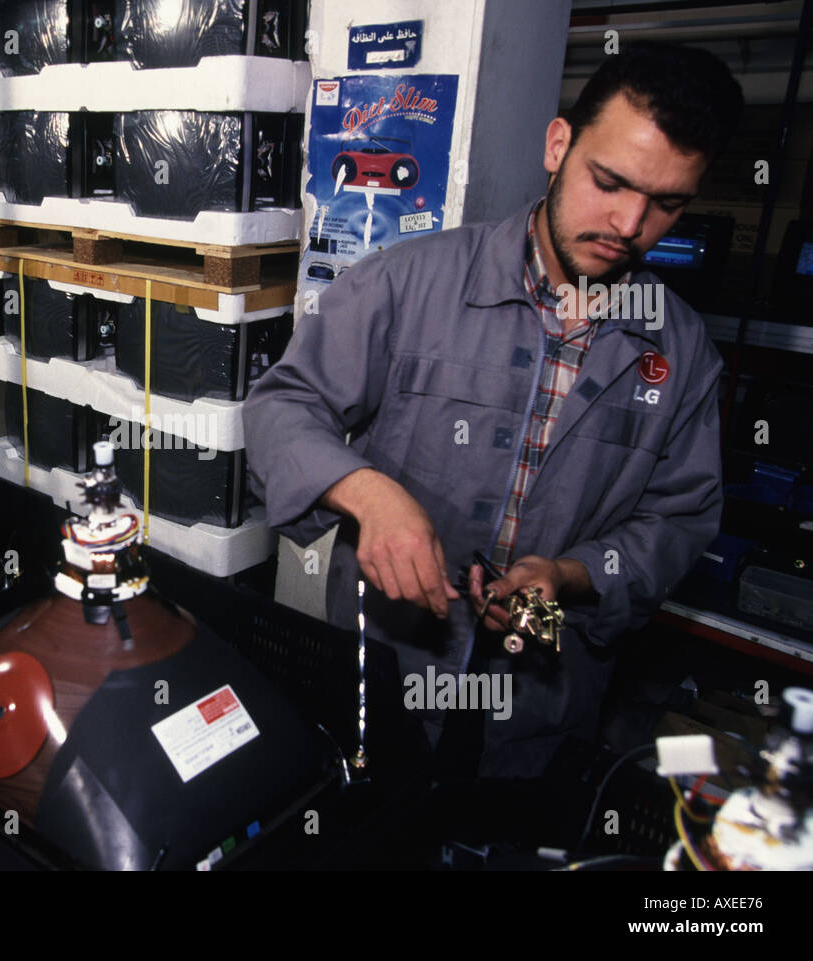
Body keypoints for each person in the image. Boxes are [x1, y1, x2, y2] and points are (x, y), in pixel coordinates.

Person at [243, 43, 744, 780]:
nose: (631, 223)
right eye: (610, 182)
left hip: (544, 698)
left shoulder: (684, 354)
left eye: (667, 202)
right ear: (558, 144)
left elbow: (681, 520)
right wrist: (366, 493)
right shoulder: (409, 282)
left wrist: (572, 576)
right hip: (384, 669)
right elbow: (281, 408)